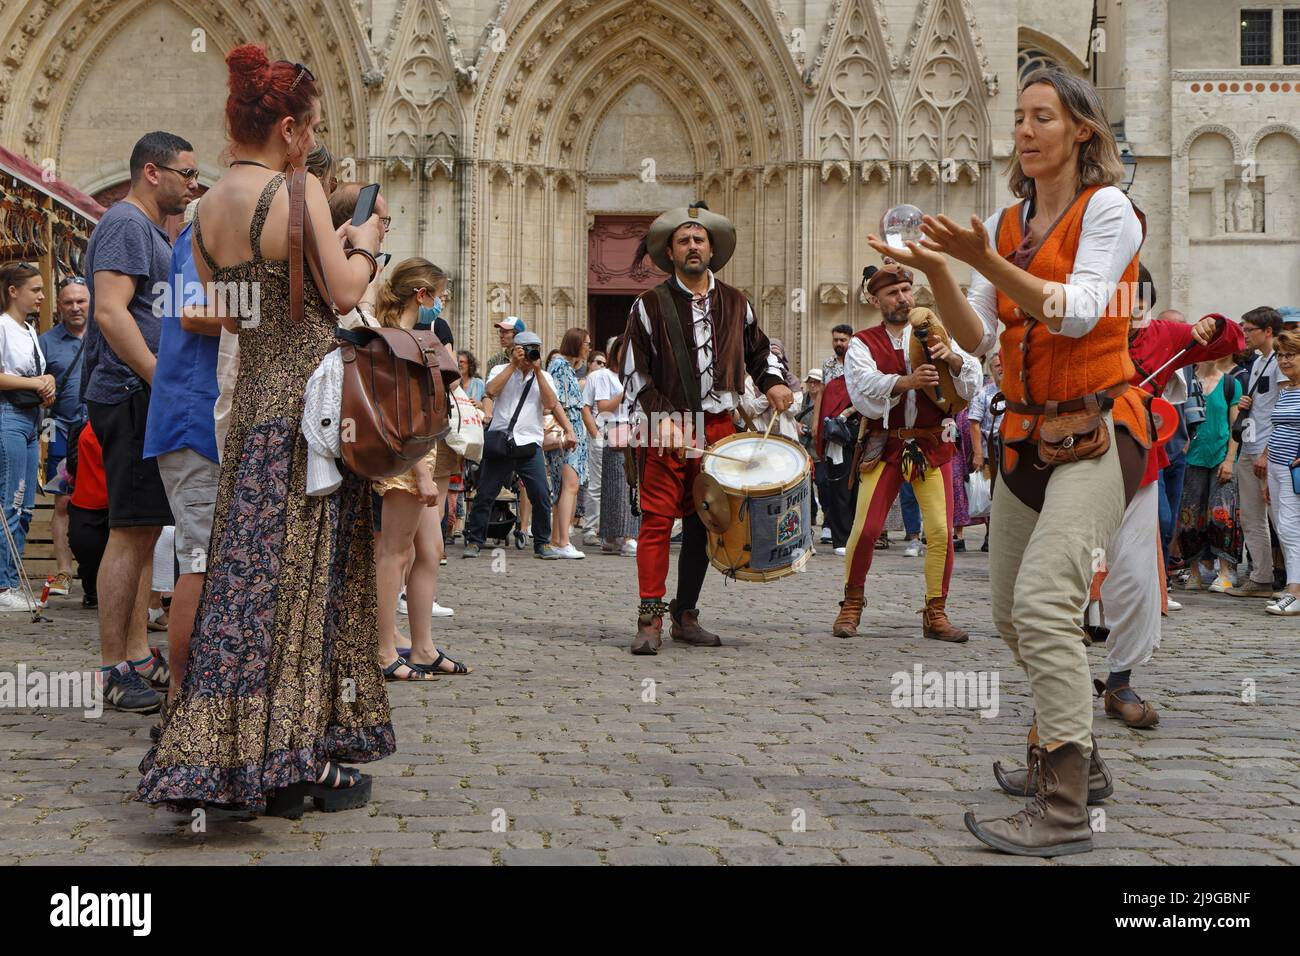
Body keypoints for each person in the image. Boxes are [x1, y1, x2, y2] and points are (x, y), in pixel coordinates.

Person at [878, 68, 1147, 855]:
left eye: (1043, 118)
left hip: (1100, 429)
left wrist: (985, 262)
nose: (1025, 132)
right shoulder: (1003, 223)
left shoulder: (1109, 210)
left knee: (1043, 606)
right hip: (1025, 438)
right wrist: (935, 272)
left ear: (1082, 131)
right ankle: (1082, 761)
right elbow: (972, 338)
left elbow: (1078, 312)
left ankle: (1063, 806)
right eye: (1019, 119)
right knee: (1008, 616)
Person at [137, 47, 392, 816]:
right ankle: (290, 758)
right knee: (306, 584)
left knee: (247, 587)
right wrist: (368, 238)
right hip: (312, 413)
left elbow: (218, 313)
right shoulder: (299, 188)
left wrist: (281, 307)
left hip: (251, 408)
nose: (310, 143)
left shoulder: (209, 207)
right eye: (309, 128)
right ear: (287, 128)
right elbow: (346, 295)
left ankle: (245, 748)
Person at [621, 201, 791, 655]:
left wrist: (773, 383)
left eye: (699, 239)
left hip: (719, 428)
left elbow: (760, 353)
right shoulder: (649, 304)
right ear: (670, 252)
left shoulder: (737, 302)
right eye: (684, 240)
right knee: (657, 523)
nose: (692, 246)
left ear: (712, 249)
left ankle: (685, 614)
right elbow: (635, 375)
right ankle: (649, 617)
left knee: (705, 523)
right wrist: (665, 421)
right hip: (667, 427)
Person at [1078, 276, 1242, 733]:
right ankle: (1059, 691)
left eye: (1138, 299)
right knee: (1063, 577)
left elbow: (1231, 340)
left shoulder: (1164, 338)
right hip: (1074, 468)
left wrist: (1214, 325)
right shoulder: (1079, 332)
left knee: (1136, 578)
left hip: (1139, 472)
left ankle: (1120, 682)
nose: (1129, 308)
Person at [79, 131, 195, 712]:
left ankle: (134, 652)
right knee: (127, 532)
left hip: (138, 391)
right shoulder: (126, 224)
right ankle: (109, 667)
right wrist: (160, 378)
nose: (193, 185)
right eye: (186, 173)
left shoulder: (150, 230)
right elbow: (108, 311)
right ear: (153, 172)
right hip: (127, 392)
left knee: (145, 527)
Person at [833, 262, 981, 642]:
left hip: (932, 443)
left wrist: (952, 359)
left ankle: (936, 612)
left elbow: (972, 381)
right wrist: (907, 381)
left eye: (905, 290)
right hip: (888, 443)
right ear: (875, 299)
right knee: (866, 530)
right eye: (892, 293)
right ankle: (851, 603)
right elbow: (862, 390)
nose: (902, 298)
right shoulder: (864, 343)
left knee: (940, 532)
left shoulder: (938, 332)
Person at [140, 198, 223, 725]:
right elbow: (195, 311)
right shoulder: (209, 230)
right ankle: (182, 701)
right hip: (196, 421)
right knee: (200, 561)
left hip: (208, 421)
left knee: (208, 560)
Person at [371, 258, 469, 679]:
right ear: (422, 294)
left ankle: (424, 646)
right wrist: (425, 474)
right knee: (395, 552)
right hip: (405, 458)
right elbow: (404, 413)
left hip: (421, 454)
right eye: (440, 295)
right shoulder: (396, 339)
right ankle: (383, 648)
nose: (442, 303)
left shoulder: (419, 337)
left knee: (429, 550)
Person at [464, 330, 575, 559]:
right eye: (525, 350)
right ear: (514, 350)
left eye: (534, 350)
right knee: (485, 493)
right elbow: (490, 391)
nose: (529, 355)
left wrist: (536, 371)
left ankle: (542, 543)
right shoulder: (500, 370)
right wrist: (513, 365)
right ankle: (474, 541)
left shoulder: (543, 376)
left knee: (541, 494)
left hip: (529, 443)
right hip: (501, 441)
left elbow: (551, 403)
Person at [0, 262, 50, 612]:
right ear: (13, 291)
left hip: (32, 420)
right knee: (9, 503)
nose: (42, 296)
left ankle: (13, 582)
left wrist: (48, 384)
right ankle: (4, 585)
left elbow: (38, 373)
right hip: (8, 416)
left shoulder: (29, 329)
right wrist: (36, 382)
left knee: (25, 506)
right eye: (35, 289)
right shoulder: (2, 326)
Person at [1225, 307, 1284, 598]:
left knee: (1280, 518)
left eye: (1250, 330)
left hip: (1268, 450)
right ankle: (1261, 577)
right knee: (1251, 517)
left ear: (1268, 331)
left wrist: (1267, 452)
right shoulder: (1259, 361)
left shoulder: (1280, 362)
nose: (1244, 334)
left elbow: (1285, 410)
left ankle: (1292, 582)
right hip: (1249, 446)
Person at [38, 276, 91, 597]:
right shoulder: (46, 342)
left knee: (106, 501)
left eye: (81, 301)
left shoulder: (105, 332)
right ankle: (62, 570)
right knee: (63, 502)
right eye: (68, 302)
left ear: (91, 302)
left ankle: (93, 572)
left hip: (100, 430)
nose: (75, 307)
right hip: (61, 430)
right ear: (59, 306)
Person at [1176, 354, 1242, 592]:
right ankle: (1193, 571)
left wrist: (1230, 460)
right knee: (1188, 517)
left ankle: (1224, 572)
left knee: (1221, 515)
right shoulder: (1186, 382)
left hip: (1220, 457)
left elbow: (1235, 427)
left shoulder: (1230, 384)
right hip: (1191, 458)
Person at [546, 328, 597, 558]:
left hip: (573, 431)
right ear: (576, 344)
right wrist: (569, 429)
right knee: (569, 485)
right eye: (586, 343)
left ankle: (557, 540)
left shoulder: (566, 368)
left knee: (564, 487)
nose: (588, 346)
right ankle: (563, 540)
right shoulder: (560, 366)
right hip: (568, 433)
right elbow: (556, 401)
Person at [1264, 329, 1300, 614]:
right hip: (1276, 466)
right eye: (1281, 355)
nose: (1285, 361)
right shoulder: (1287, 389)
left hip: (1293, 468)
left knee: (1289, 528)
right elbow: (1278, 427)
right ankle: (1292, 587)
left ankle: (1295, 594)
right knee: (1283, 527)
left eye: (1291, 355)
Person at [814, 324, 852, 544]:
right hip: (832, 429)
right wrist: (819, 426)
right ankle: (834, 529)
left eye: (843, 340)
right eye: (836, 339)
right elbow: (822, 395)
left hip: (851, 426)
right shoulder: (827, 365)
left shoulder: (857, 363)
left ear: (850, 340)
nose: (839, 343)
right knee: (830, 481)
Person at [968, 351, 1003, 552]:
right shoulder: (983, 394)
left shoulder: (1018, 391)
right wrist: (978, 454)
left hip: (1014, 453)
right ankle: (991, 534)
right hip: (990, 453)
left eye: (1003, 365)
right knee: (990, 494)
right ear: (991, 369)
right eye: (997, 366)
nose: (1001, 369)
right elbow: (974, 423)